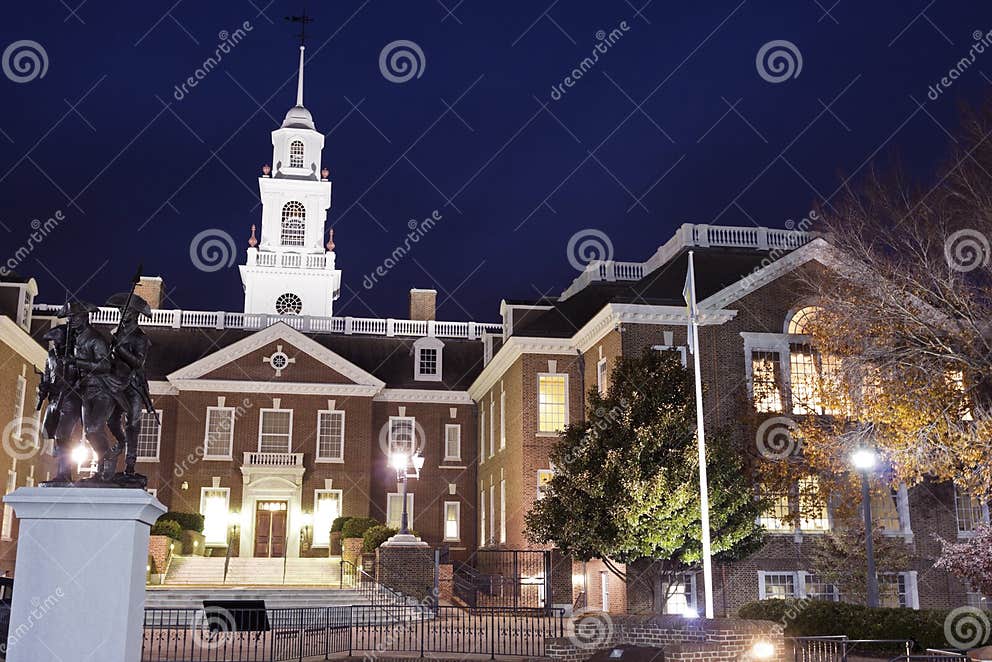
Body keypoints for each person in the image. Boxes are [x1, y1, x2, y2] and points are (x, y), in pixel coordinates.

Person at [103, 292, 153, 482]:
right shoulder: (116, 333)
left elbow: (139, 363)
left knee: (133, 423)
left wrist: (120, 349)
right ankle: (119, 443)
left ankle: (130, 465)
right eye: (120, 310)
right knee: (110, 420)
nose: (122, 314)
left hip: (132, 384)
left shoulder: (140, 337)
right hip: (114, 382)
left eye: (125, 311)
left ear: (134, 314)